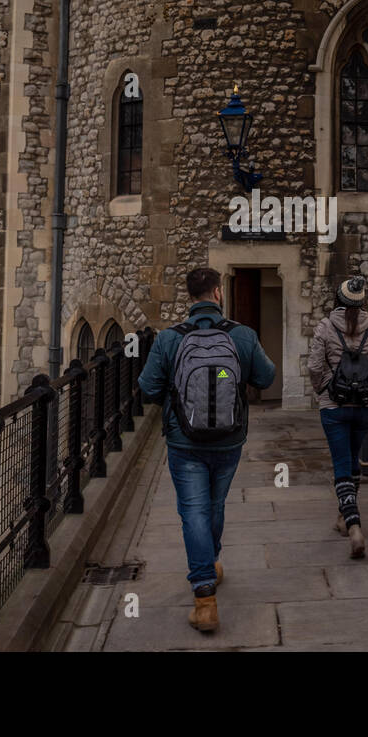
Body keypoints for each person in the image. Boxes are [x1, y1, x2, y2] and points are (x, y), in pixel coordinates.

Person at [138, 266, 275, 634]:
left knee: (194, 512)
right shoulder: (242, 335)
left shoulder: (169, 339)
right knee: (213, 506)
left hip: (185, 442)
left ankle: (205, 596)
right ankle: (208, 571)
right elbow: (266, 378)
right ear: (218, 293)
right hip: (229, 440)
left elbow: (148, 388)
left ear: (190, 296)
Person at [306, 276, 368, 559]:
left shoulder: (325, 327)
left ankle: (354, 525)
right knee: (353, 461)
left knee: (342, 464)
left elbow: (315, 366)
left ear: (337, 300)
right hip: (366, 406)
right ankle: (344, 516)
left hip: (335, 407)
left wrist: (324, 388)